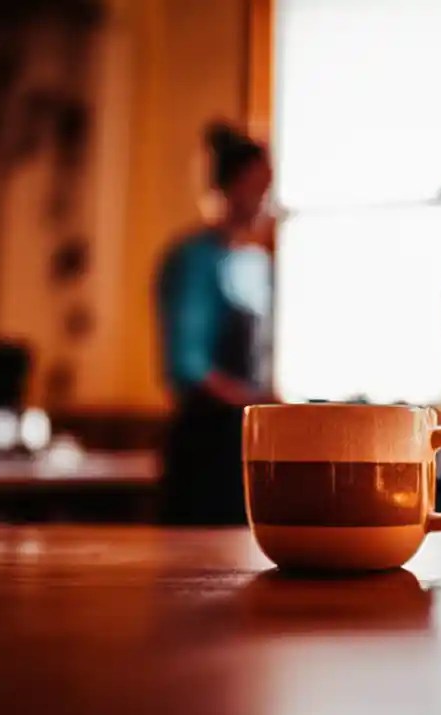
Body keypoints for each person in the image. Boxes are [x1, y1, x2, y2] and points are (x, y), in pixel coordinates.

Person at [155, 122, 274, 524]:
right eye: (256, 186)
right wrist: (255, 404)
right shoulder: (194, 259)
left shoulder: (257, 263)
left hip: (247, 439)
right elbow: (187, 366)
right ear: (229, 186)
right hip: (208, 442)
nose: (264, 200)